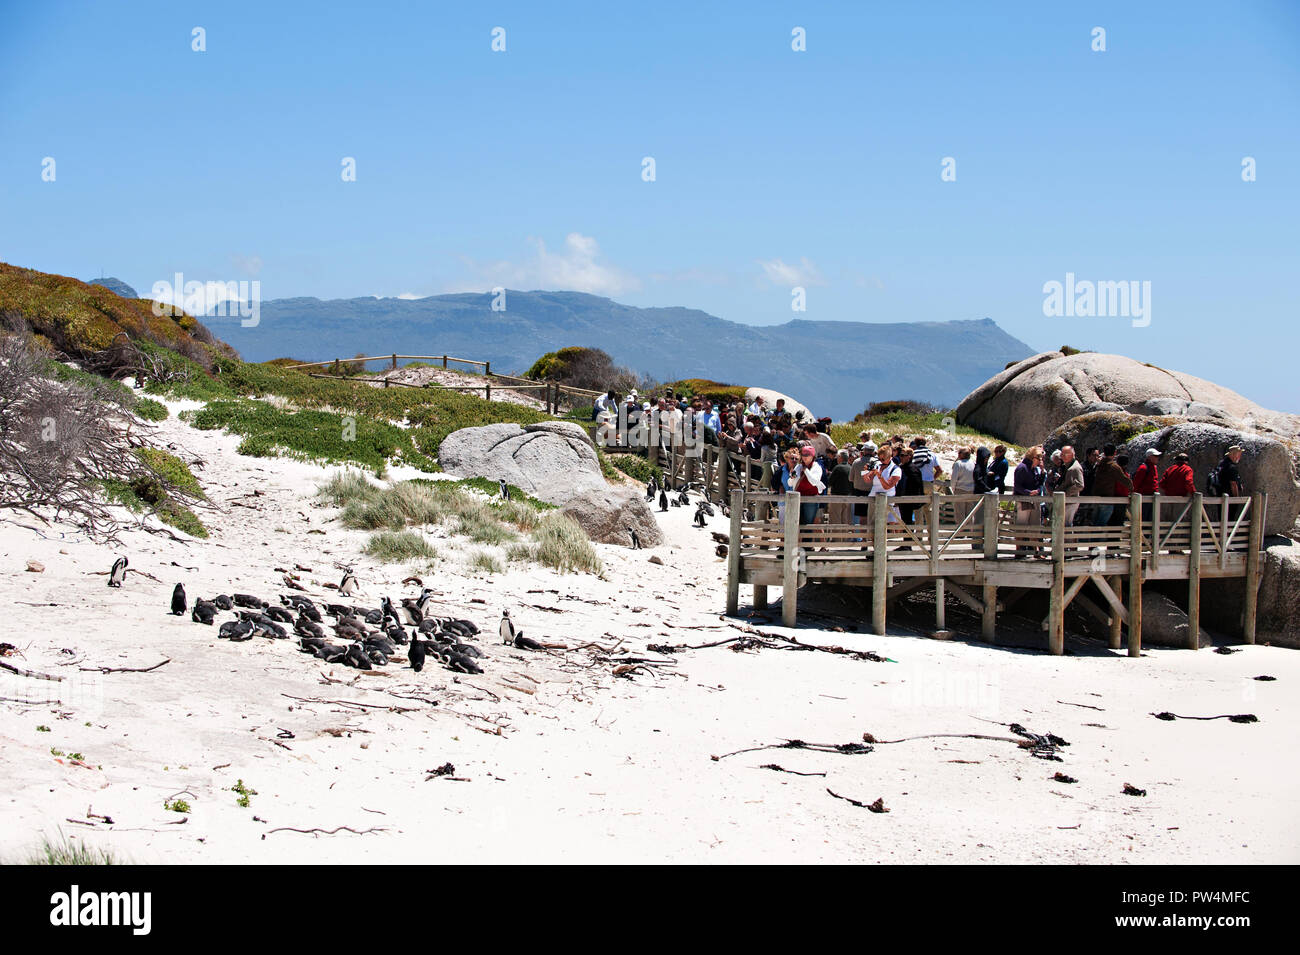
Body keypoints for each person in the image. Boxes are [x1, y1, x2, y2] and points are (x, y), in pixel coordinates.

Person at [1090, 444, 1131, 526]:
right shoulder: (1113, 466)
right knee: (1101, 524)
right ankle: (1098, 539)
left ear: (1104, 453)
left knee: (1095, 523)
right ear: (1115, 452)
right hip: (1107, 499)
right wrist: (1132, 488)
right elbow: (1126, 481)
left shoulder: (1099, 464)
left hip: (1096, 497)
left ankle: (1093, 539)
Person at [1013, 446, 1044, 556]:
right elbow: (1017, 486)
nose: (1040, 460)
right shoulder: (1022, 467)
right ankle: (1019, 551)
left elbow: (1040, 483)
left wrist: (1043, 471)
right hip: (1023, 501)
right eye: (1038, 458)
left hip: (1034, 500)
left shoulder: (1035, 469)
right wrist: (1028, 492)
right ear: (1032, 457)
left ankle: (1036, 551)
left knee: (1035, 525)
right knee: (1022, 525)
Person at [866, 443, 902, 524]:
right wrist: (865, 471)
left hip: (886, 499)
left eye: (883, 459)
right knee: (870, 523)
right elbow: (867, 480)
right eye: (879, 459)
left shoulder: (896, 469)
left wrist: (879, 475)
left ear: (890, 457)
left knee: (880, 524)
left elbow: (887, 486)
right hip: (873, 497)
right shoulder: (877, 465)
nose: (881, 461)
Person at [792, 444, 825, 525]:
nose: (804, 457)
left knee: (808, 525)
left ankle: (807, 538)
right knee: (797, 523)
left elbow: (814, 481)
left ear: (812, 456)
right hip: (798, 497)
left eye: (807, 455)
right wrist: (792, 478)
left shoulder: (816, 467)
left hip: (811, 498)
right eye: (803, 455)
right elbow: (790, 483)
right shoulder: (798, 467)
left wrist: (806, 471)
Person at [1057, 445, 1085, 526]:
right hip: (1067, 501)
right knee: (1063, 524)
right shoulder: (1067, 466)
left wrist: (1065, 494)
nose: (1062, 456)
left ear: (1072, 455)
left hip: (1070, 501)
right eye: (1062, 454)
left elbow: (1080, 485)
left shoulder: (1075, 468)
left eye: (1065, 454)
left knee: (1066, 524)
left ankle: (1068, 539)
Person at [827, 449, 853, 526]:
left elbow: (830, 482)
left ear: (840, 458)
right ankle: (844, 537)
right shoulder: (851, 468)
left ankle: (836, 538)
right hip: (848, 496)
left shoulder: (837, 468)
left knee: (835, 518)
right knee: (845, 519)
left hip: (836, 496)